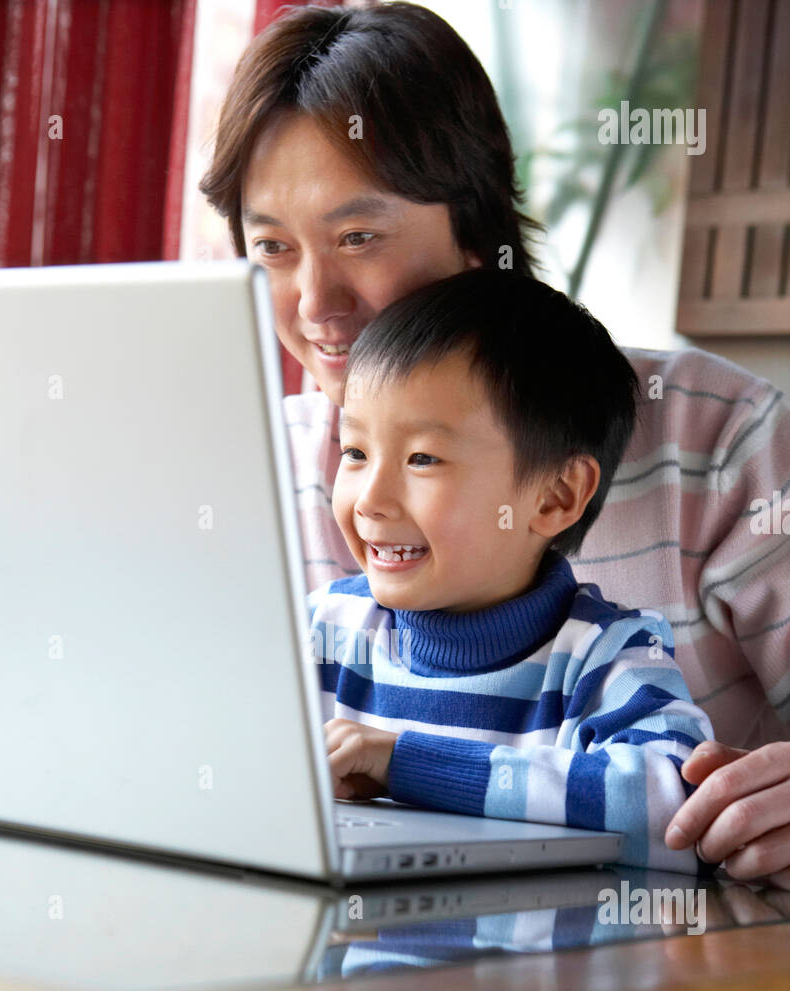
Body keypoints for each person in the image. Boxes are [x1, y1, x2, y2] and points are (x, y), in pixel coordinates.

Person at [200, 2, 790, 885]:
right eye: (272, 248)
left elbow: (659, 796)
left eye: (357, 237)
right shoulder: (260, 461)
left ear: (477, 236)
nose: (314, 301)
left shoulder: (726, 440)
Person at [305, 268, 712, 872]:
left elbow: (676, 807)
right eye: (356, 453)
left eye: (422, 458)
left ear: (555, 497)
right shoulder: (323, 630)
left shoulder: (605, 656)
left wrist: (405, 763)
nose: (370, 499)